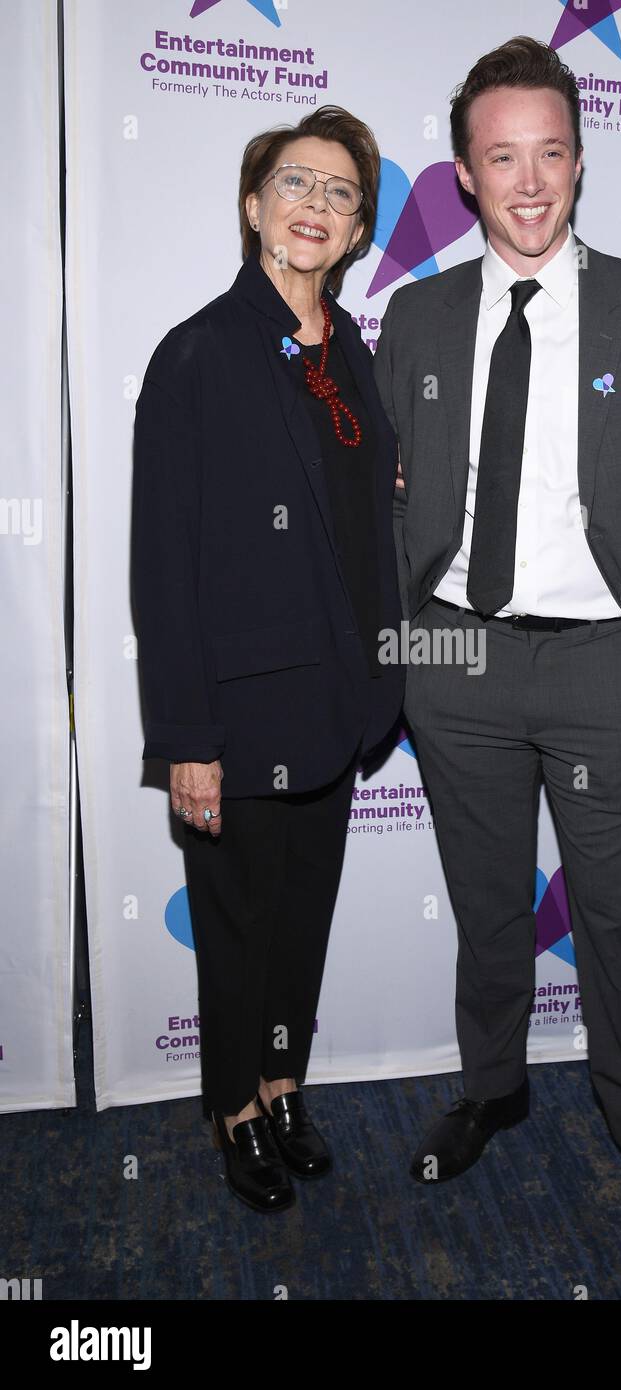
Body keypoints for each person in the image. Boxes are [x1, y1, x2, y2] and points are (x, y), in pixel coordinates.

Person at [374, 38, 621, 1270]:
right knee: (488, 913)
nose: (526, 185)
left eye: (548, 155)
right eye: (499, 158)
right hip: (458, 666)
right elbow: (382, 499)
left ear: (579, 161)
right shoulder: (416, 314)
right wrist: (404, 647)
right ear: (465, 175)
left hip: (606, 671)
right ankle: (492, 1089)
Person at [131, 108, 404, 1213]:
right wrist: (185, 737)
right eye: (295, 183)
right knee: (237, 929)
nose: (314, 207)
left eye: (340, 195)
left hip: (333, 702)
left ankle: (284, 1081)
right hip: (239, 714)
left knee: (302, 919)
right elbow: (163, 563)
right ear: (254, 206)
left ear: (354, 230)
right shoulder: (196, 353)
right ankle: (233, 1108)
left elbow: (367, 520)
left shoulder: (351, 356)